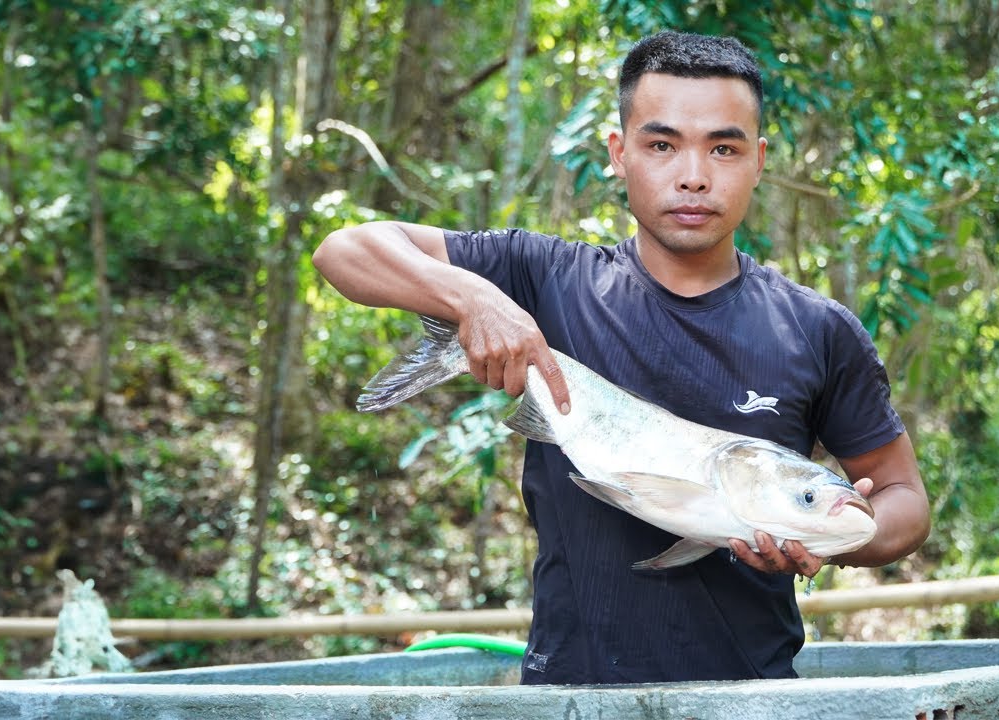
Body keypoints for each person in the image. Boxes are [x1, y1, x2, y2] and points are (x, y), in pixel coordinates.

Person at [312, 30, 930, 684]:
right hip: (569, 697)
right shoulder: (548, 277)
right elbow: (344, 252)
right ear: (619, 152)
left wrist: (835, 541)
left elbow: (903, 500)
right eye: (662, 145)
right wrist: (471, 300)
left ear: (758, 161)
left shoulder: (816, 329)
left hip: (752, 701)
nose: (693, 175)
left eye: (724, 148)